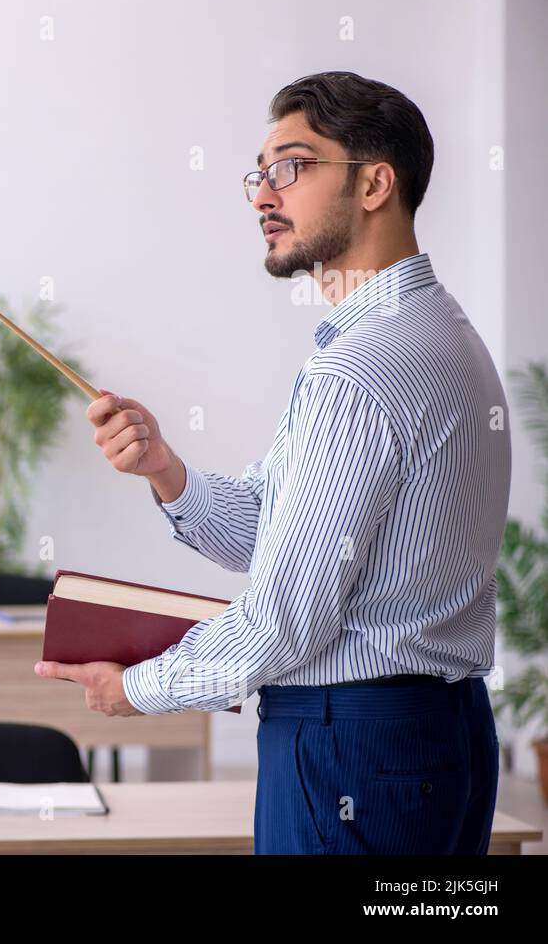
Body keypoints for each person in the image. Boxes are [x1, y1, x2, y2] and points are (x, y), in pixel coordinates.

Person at [35, 71, 510, 854]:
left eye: (291, 167)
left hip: (352, 748)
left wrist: (137, 689)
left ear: (374, 184)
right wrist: (166, 469)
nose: (262, 195)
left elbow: (283, 618)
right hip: (435, 736)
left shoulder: (362, 369)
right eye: (259, 173)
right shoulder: (438, 333)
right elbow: (281, 529)